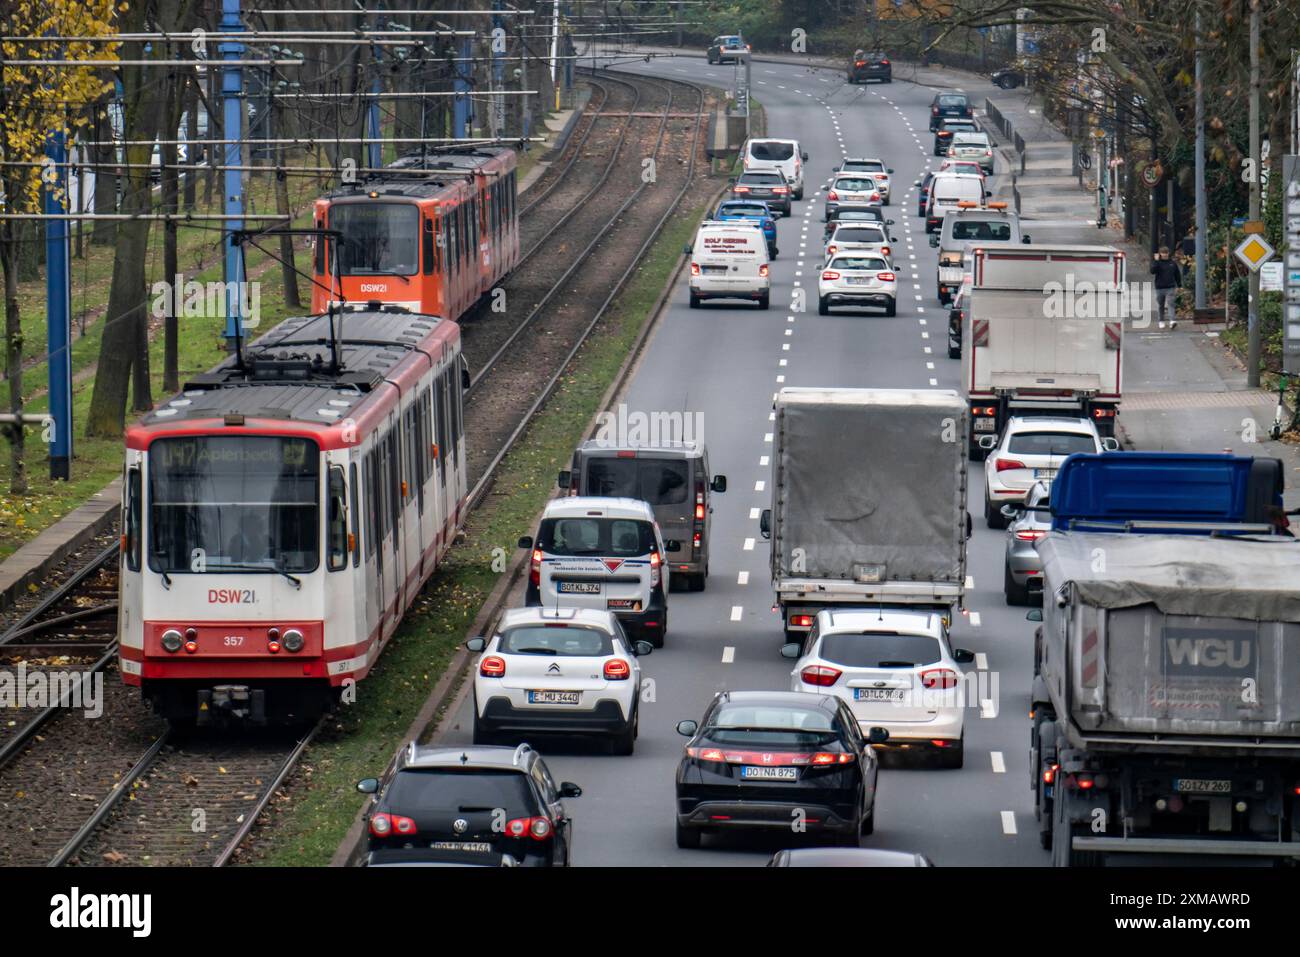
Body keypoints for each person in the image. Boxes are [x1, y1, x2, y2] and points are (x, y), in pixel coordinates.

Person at [1150, 246, 1181, 330]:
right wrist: (1156, 261)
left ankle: (1172, 321)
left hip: (1170, 287)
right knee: (1161, 305)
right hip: (1159, 287)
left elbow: (1177, 275)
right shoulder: (1158, 263)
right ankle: (1161, 321)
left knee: (1171, 304)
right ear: (1160, 254)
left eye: (1166, 253)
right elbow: (1152, 271)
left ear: (1168, 253)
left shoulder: (1172, 263)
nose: (1164, 255)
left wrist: (1179, 285)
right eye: (1163, 253)